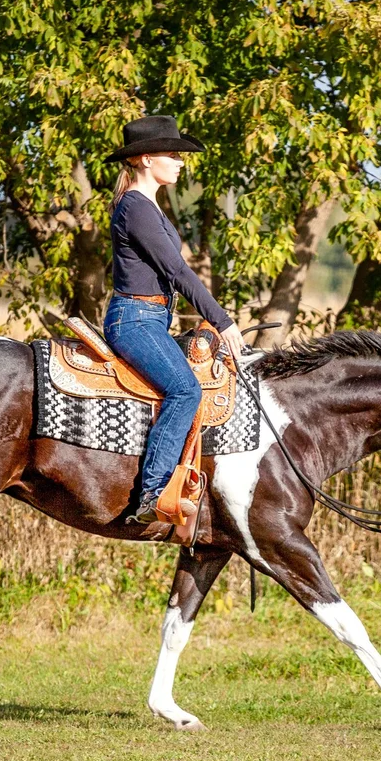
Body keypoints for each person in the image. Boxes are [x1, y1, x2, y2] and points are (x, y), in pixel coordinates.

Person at [104, 115, 248, 524]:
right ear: (146, 159)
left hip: (151, 319)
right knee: (185, 390)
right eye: (173, 154)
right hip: (134, 320)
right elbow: (178, 273)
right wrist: (222, 321)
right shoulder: (136, 207)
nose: (181, 161)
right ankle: (152, 493)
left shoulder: (147, 206)